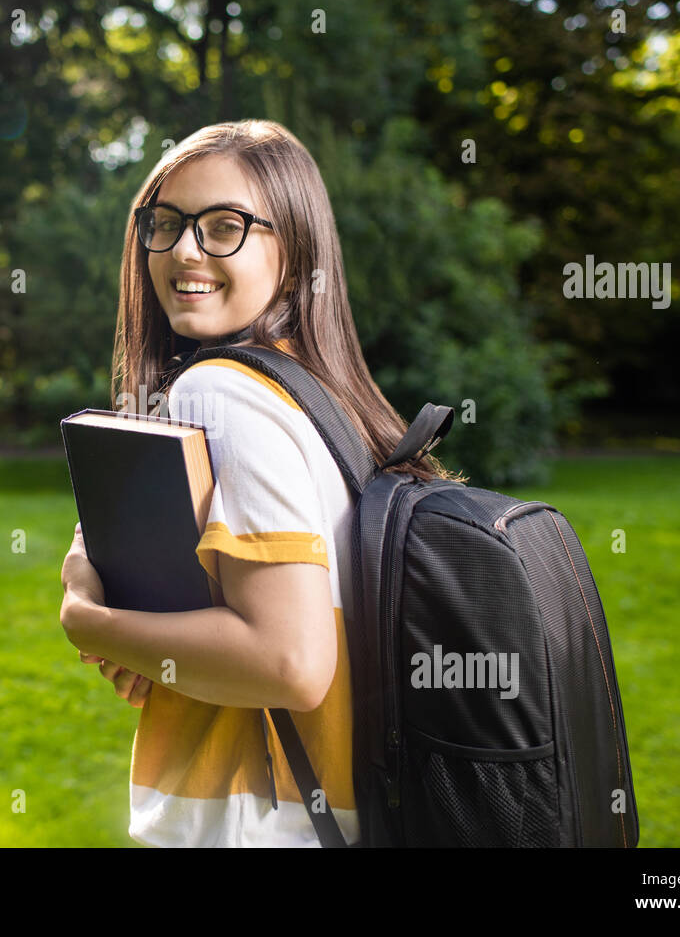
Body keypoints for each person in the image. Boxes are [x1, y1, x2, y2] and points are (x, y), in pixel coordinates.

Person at [59, 119, 464, 847]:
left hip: (255, 822)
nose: (186, 249)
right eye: (168, 223)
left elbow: (289, 660)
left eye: (226, 226)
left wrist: (92, 623)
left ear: (295, 248)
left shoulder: (222, 393)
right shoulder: (321, 393)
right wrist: (158, 647)